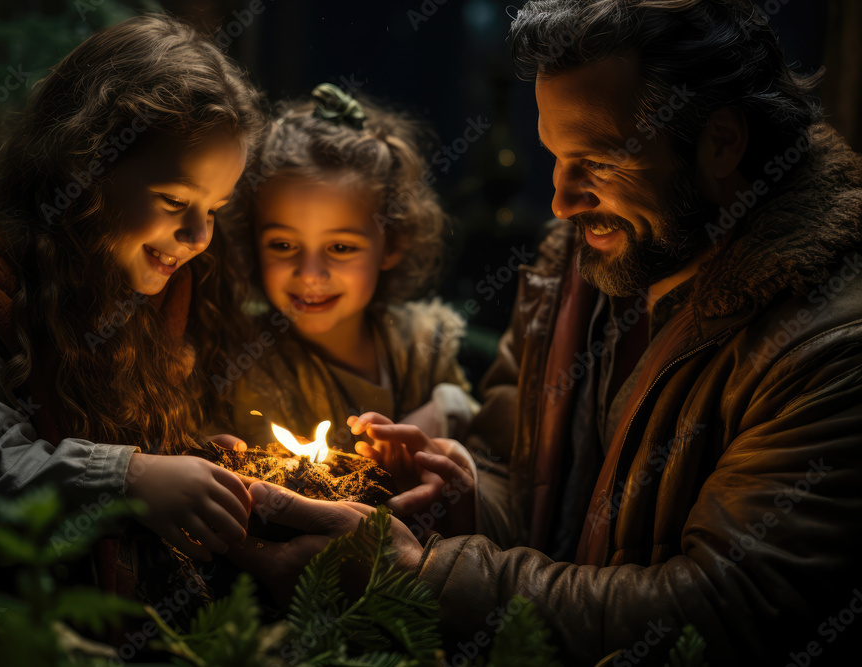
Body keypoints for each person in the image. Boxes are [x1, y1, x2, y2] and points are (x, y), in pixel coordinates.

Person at [227, 1, 862, 665]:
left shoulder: (827, 342)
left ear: (723, 141)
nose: (561, 202)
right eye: (555, 157)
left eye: (599, 160)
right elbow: (517, 471)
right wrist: (459, 492)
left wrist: (420, 574)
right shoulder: (584, 265)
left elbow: (722, 609)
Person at [0, 13, 264, 639]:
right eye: (174, 202)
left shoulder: (135, 287)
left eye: (213, 210)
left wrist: (184, 471)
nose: (197, 237)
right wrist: (129, 478)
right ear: (85, 166)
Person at [221, 84, 479, 455]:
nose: (310, 274)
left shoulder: (423, 347)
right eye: (283, 245)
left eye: (340, 248)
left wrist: (447, 416)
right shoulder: (243, 365)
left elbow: (488, 460)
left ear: (392, 244)